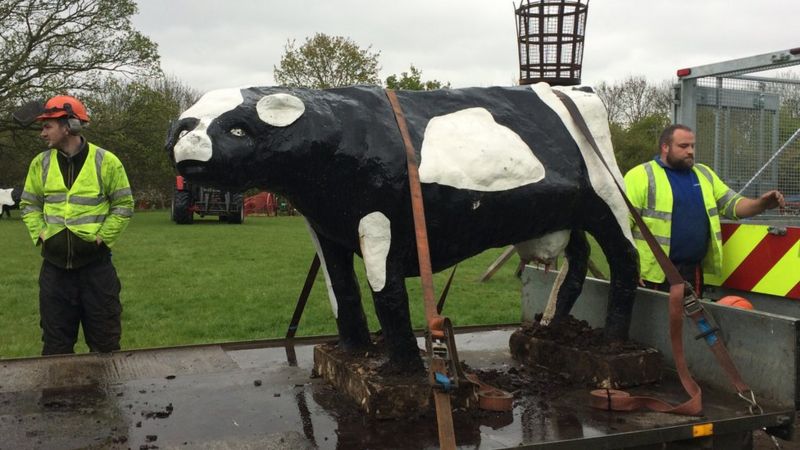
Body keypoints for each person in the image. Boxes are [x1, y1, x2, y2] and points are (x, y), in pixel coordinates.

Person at [19, 95, 134, 355]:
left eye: (47, 125)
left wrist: (102, 237)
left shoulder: (107, 162)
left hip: (96, 271)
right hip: (55, 273)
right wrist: (41, 234)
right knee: (55, 349)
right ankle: (58, 398)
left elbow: (124, 205)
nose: (42, 133)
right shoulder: (41, 163)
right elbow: (28, 204)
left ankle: (106, 397)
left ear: (69, 125)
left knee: (106, 348)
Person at [623, 124, 784, 294]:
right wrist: (628, 264)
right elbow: (621, 223)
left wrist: (762, 204)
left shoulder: (704, 174)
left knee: (690, 321)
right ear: (665, 147)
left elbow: (733, 205)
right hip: (652, 275)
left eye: (692, 146)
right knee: (652, 321)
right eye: (683, 146)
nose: (690, 151)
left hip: (693, 272)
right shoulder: (640, 176)